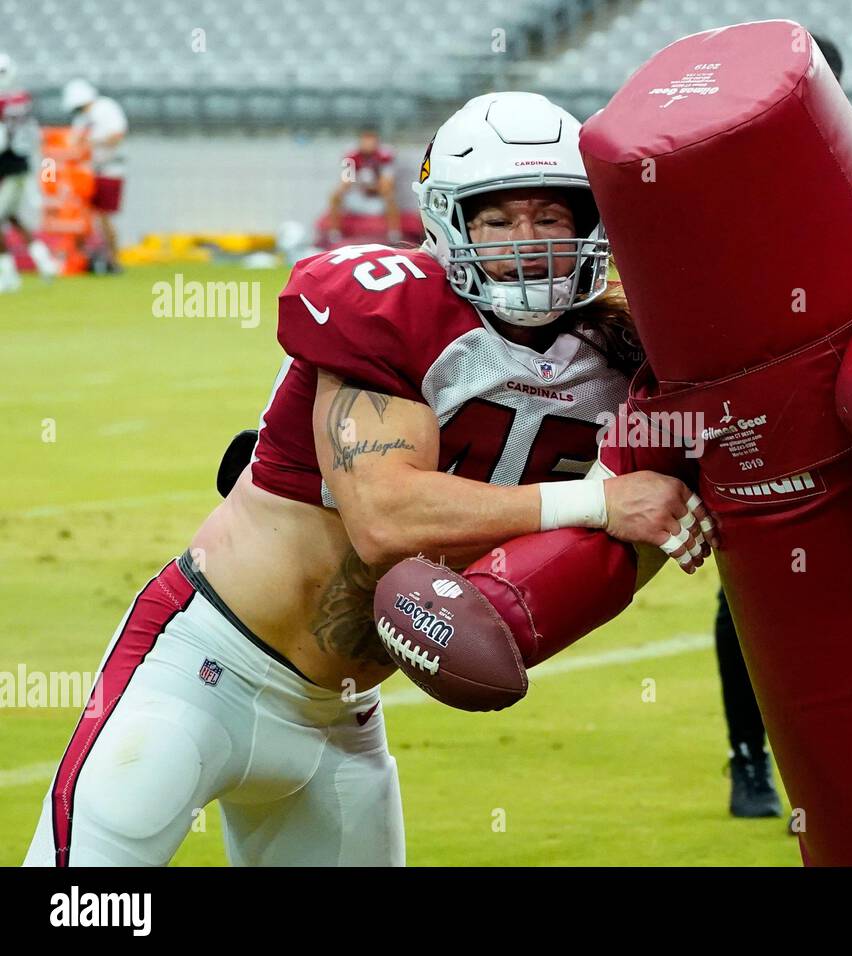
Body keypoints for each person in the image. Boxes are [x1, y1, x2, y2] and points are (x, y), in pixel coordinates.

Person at [23, 91, 716, 867]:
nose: (527, 243)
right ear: (452, 224)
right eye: (498, 219)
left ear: (591, 223)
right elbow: (386, 518)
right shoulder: (392, 307)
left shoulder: (620, 352)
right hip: (202, 670)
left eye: (550, 217)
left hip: (342, 722)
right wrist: (599, 501)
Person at [712, 34, 843, 821]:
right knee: (749, 595)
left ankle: (839, 758)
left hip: (840, 411)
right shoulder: (717, 193)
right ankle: (750, 758)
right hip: (750, 413)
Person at [0, 53, 57, 291]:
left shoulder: (8, 101)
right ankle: (45, 262)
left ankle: (8, 275)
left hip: (9, 166)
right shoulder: (21, 98)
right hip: (21, 164)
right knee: (12, 217)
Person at [61, 78, 127, 274]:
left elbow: (116, 135)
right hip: (86, 172)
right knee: (81, 215)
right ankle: (81, 257)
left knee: (104, 216)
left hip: (109, 169)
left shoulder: (106, 108)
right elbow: (73, 142)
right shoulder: (81, 119)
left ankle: (114, 260)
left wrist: (90, 141)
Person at [326, 127, 402, 245]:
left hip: (377, 199)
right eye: (366, 139)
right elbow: (345, 181)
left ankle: (394, 234)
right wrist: (349, 186)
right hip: (358, 196)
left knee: (390, 195)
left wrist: (373, 186)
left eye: (371, 139)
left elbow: (387, 183)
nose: (368, 143)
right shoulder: (352, 155)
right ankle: (334, 234)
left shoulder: (385, 155)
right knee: (335, 195)